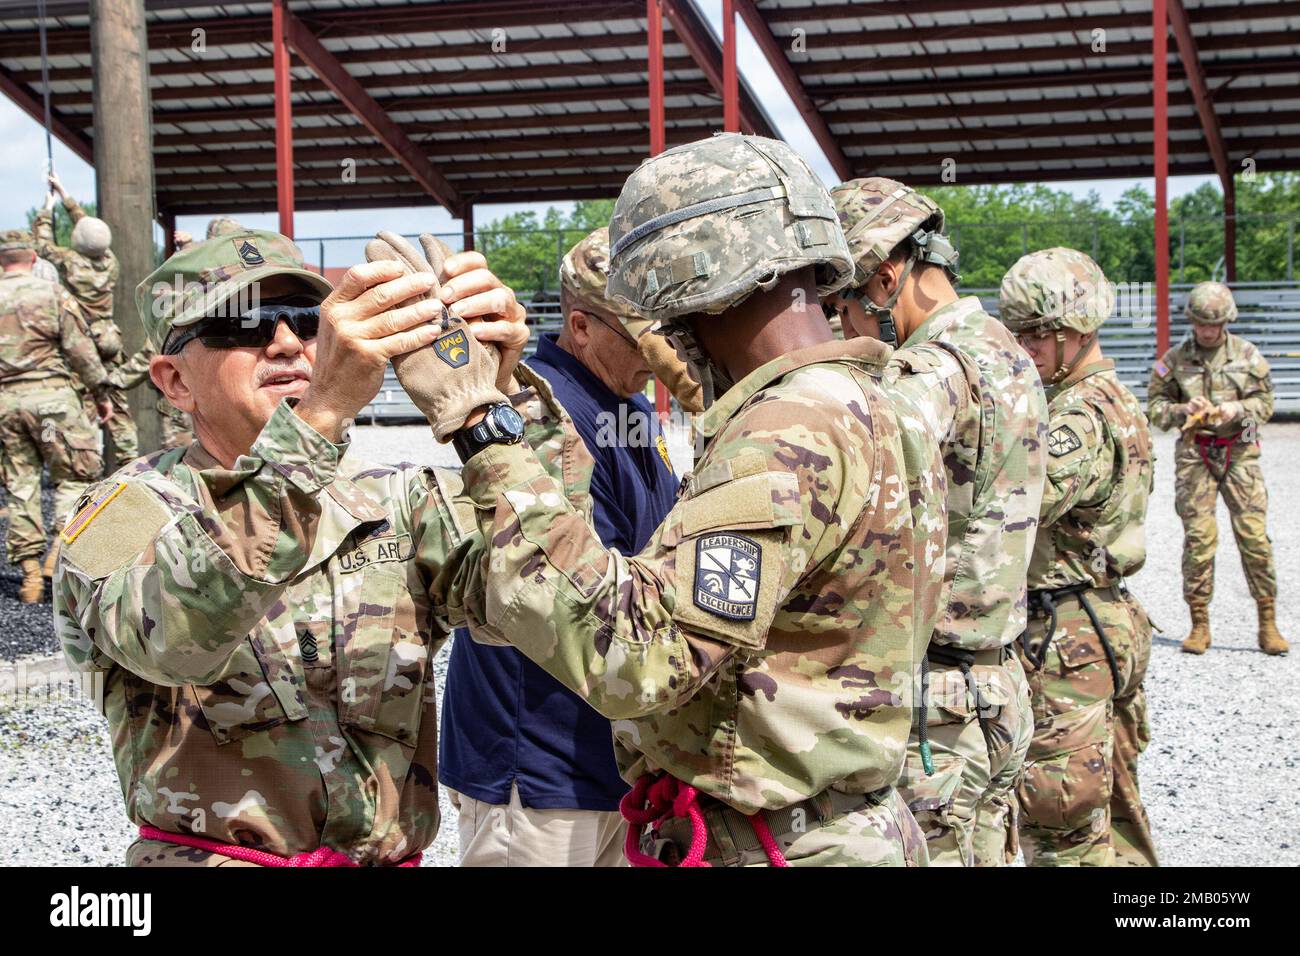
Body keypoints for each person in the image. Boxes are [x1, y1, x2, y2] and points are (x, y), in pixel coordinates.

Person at [434, 132, 948, 867]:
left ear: (693, 280)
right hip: (838, 822)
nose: (662, 344)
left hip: (773, 839)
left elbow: (639, 654)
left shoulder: (788, 427)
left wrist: (484, 425)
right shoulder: (880, 399)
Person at [53, 228, 531, 867]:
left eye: (308, 321)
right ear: (174, 382)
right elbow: (176, 634)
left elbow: (545, 594)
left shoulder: (397, 503)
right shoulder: (120, 514)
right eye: (239, 327)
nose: (284, 343)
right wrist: (322, 414)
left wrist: (494, 400)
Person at [440, 227, 680, 866]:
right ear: (582, 326)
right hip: (540, 761)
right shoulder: (541, 414)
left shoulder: (624, 405)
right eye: (644, 337)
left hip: (604, 749)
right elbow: (564, 587)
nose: (663, 354)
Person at [826, 177, 1046, 866]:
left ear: (886, 279)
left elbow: (857, 484)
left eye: (843, 305)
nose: (844, 325)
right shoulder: (1004, 347)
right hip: (998, 680)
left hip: (940, 705)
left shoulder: (932, 368)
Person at [998, 248, 1159, 867]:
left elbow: (1014, 499)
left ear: (1080, 329)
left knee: (1060, 822)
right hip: (1098, 619)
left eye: (1040, 333)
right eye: (1019, 332)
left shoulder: (1080, 416)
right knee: (1112, 803)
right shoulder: (1110, 397)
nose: (1027, 346)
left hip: (1068, 636)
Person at [1147, 281, 1287, 656]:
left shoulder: (1248, 355)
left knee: (1254, 537)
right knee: (1199, 541)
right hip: (1196, 454)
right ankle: (1199, 624)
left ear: (1227, 322)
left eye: (1216, 324)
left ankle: (1267, 621)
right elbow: (1155, 409)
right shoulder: (1173, 360)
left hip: (1240, 451)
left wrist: (1238, 410)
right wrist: (1181, 410)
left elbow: (1266, 402)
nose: (1209, 331)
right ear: (1192, 321)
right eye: (1202, 324)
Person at [0, 229, 111, 603]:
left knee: (21, 484)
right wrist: (100, 391)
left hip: (5, 405)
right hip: (52, 400)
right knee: (75, 474)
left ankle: (29, 576)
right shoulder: (51, 293)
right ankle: (57, 554)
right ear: (33, 258)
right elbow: (80, 350)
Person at [35, 172, 138, 471]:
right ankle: (129, 460)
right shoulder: (110, 263)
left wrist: (48, 206)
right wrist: (67, 195)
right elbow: (89, 232)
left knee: (81, 403)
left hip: (83, 344)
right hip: (110, 337)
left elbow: (41, 245)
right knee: (117, 405)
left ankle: (83, 460)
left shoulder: (71, 263)